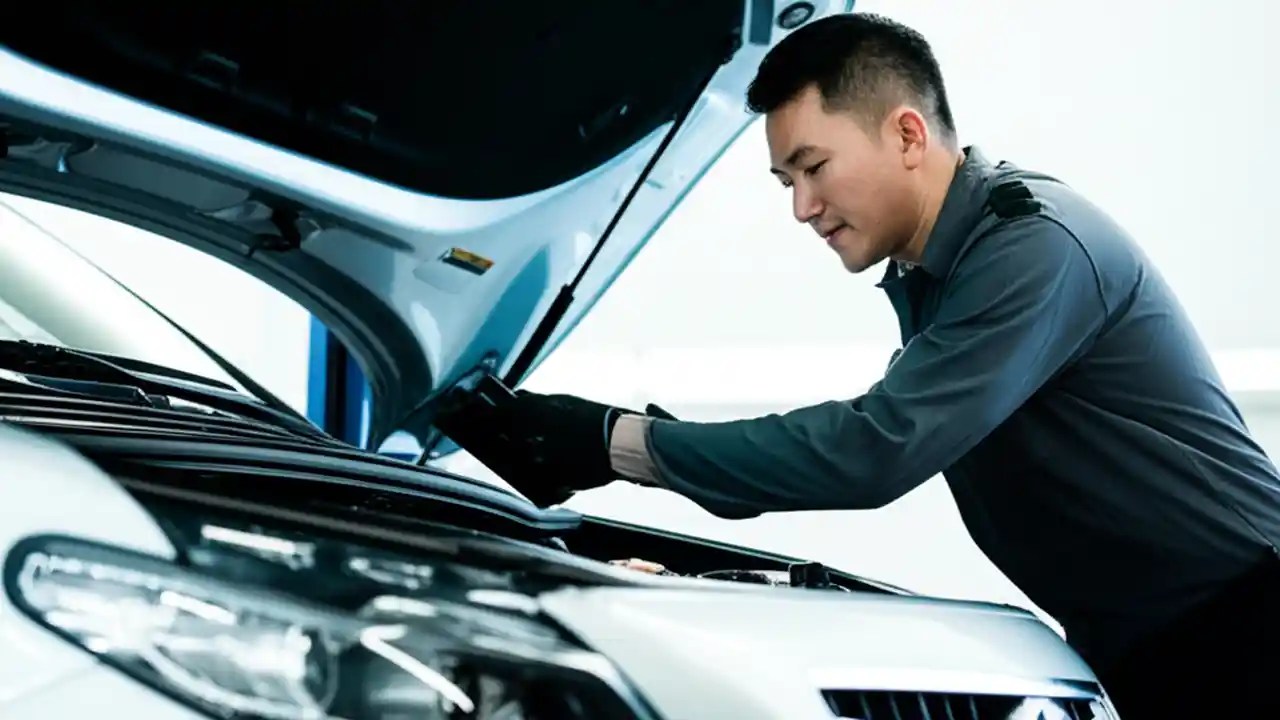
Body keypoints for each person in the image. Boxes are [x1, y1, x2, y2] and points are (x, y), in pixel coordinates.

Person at [446, 12, 1280, 717]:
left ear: (907, 134)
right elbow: (860, 446)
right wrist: (639, 445)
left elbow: (874, 450)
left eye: (813, 168)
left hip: (1247, 630)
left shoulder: (1035, 246)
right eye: (785, 182)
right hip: (1151, 646)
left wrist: (614, 443)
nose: (803, 207)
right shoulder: (939, 274)